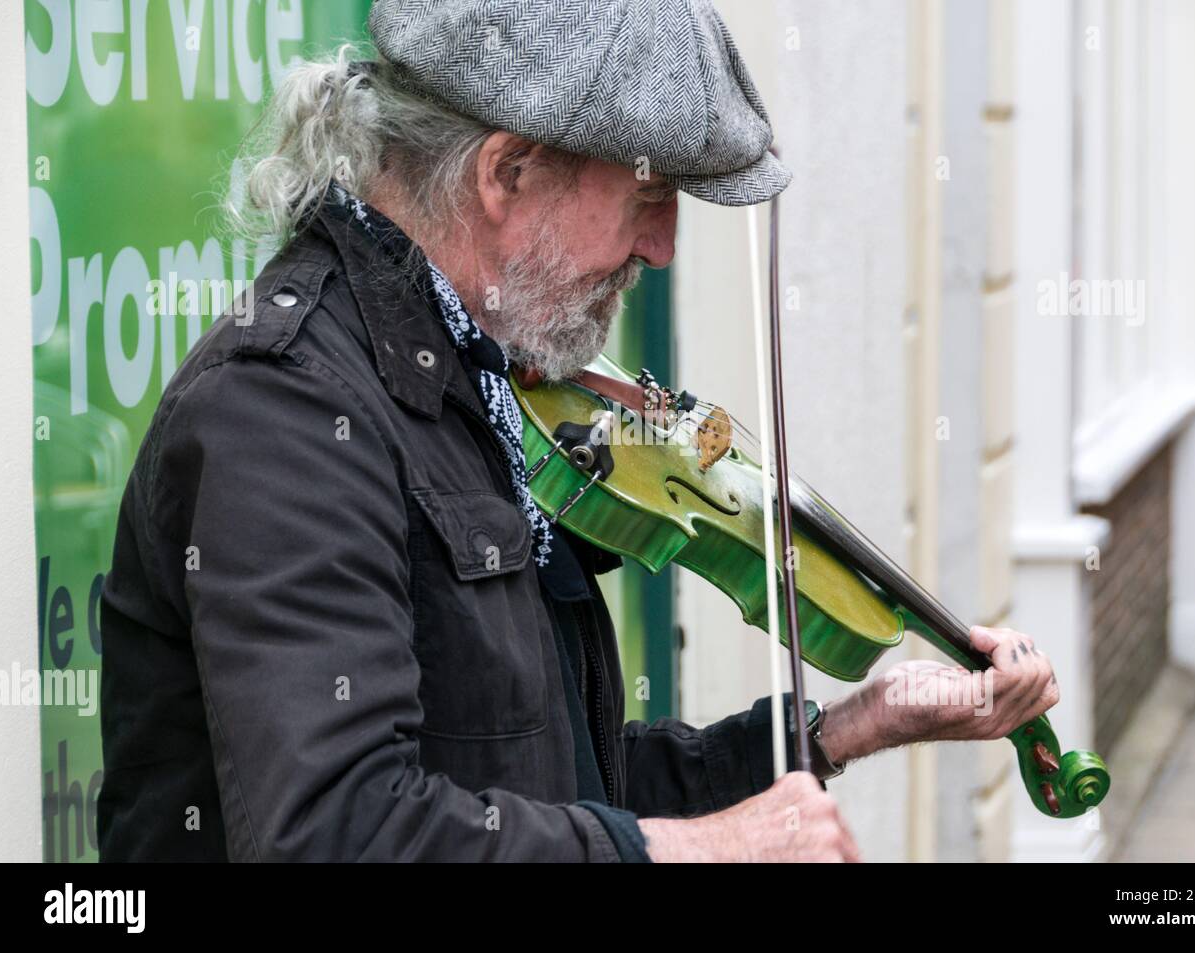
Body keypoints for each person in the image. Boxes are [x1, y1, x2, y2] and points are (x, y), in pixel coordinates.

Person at [98, 0, 1059, 862]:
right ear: (506, 173)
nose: (663, 246)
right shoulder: (287, 414)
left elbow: (553, 785)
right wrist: (712, 849)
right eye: (648, 196)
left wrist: (846, 726)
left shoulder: (482, 382)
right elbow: (336, 830)